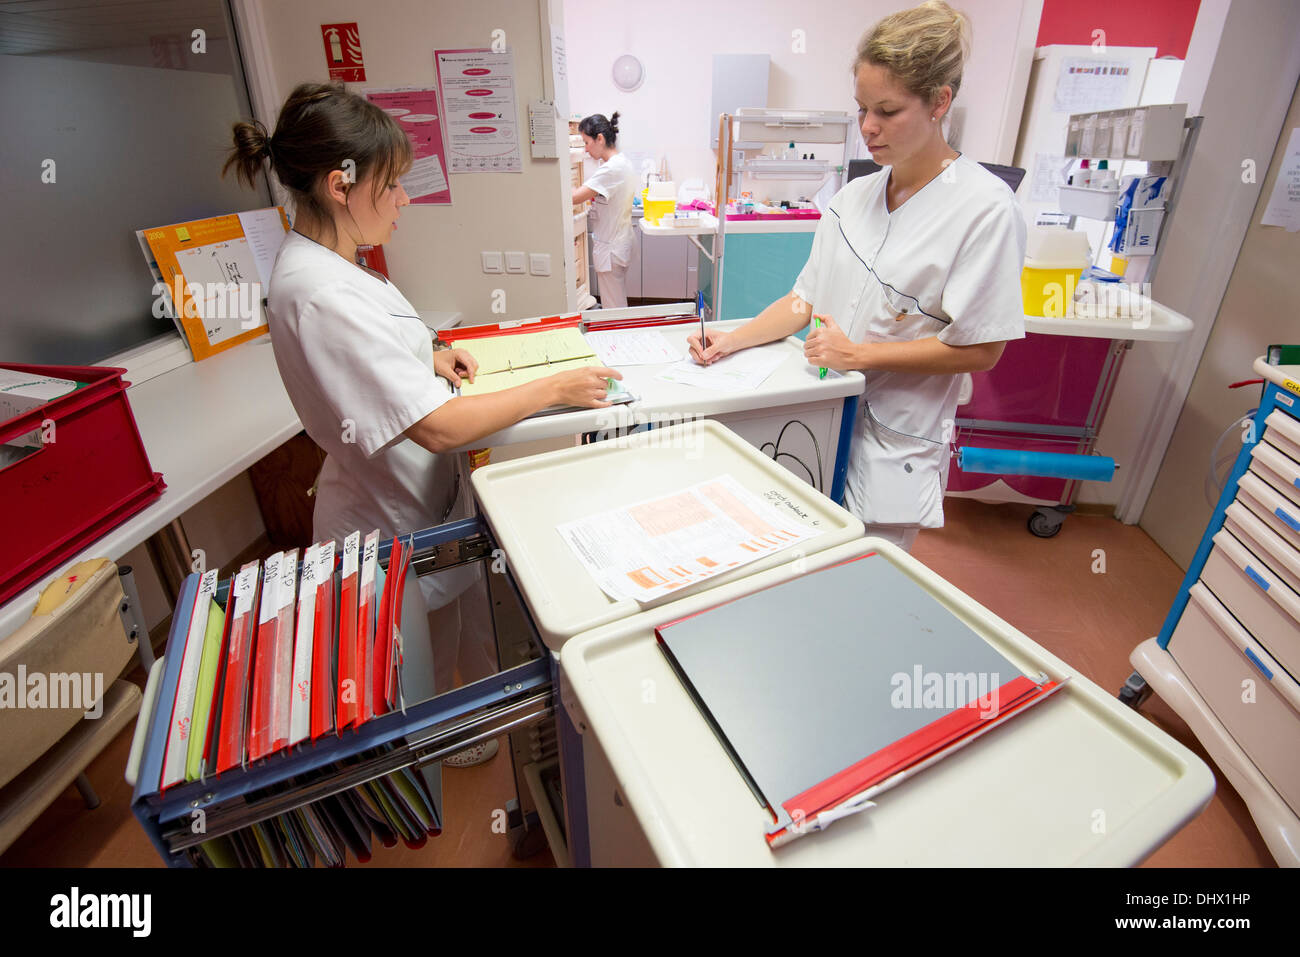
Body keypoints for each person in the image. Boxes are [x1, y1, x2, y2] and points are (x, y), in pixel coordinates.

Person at [225, 83, 620, 765]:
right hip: (388, 519)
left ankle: (485, 745)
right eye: (394, 184)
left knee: (469, 643)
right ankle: (446, 770)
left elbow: (379, 359)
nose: (405, 200)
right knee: (423, 685)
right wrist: (551, 386)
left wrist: (430, 354)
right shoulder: (316, 291)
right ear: (340, 184)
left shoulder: (335, 265)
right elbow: (437, 428)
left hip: (422, 506)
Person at [688, 1, 1025, 552]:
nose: (868, 127)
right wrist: (731, 339)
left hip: (894, 445)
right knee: (793, 563)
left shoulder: (985, 210)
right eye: (862, 108)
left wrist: (859, 356)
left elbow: (981, 348)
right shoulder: (851, 199)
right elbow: (804, 300)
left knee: (866, 583)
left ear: (940, 102)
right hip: (815, 423)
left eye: (887, 111)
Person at [572, 112, 637, 308]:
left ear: (599, 138)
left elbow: (574, 197)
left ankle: (619, 338)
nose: (585, 149)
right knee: (616, 301)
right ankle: (620, 334)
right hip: (618, 243)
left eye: (586, 142)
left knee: (614, 308)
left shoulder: (611, 169)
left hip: (611, 249)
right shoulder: (621, 163)